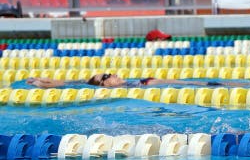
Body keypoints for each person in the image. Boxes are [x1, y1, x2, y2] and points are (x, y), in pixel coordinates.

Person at [26, 73, 234, 89]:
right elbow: (74, 84)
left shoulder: (138, 83)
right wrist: (39, 83)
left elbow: (73, 82)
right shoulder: (139, 85)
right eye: (106, 77)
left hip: (205, 86)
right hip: (205, 86)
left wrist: (42, 81)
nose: (112, 75)